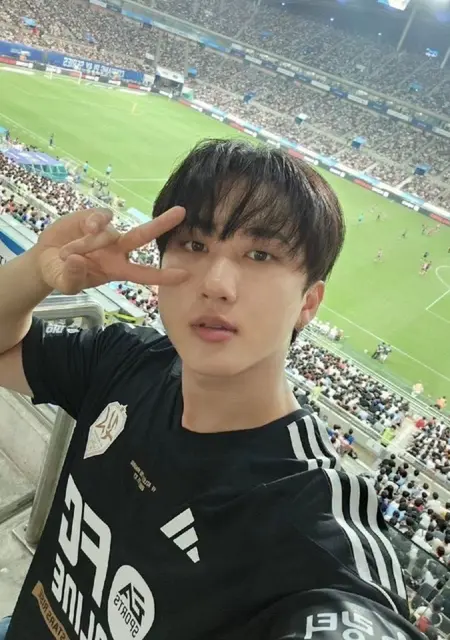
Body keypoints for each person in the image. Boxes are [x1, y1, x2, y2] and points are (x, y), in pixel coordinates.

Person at [0, 140, 419, 639]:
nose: (217, 284)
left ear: (308, 303)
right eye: (195, 246)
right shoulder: (125, 360)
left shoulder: (311, 524)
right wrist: (39, 266)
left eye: (260, 254)